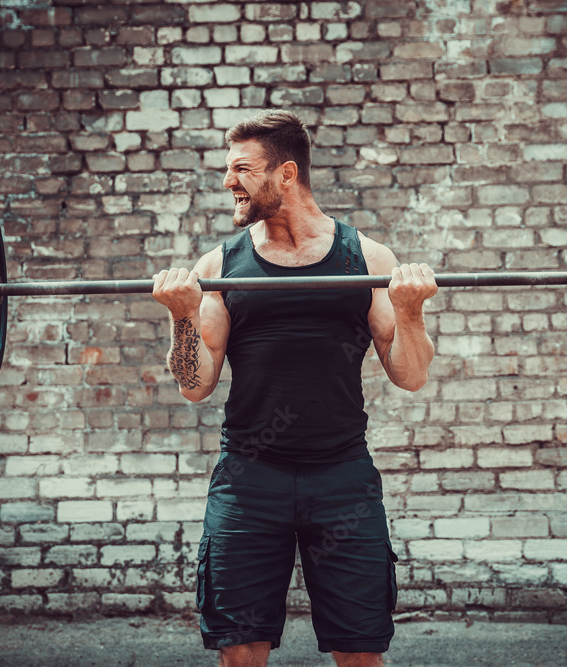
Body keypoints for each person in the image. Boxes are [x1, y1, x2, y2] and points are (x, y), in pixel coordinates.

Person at [151, 109, 437, 667]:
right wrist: (183, 317)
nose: (227, 182)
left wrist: (410, 312)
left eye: (241, 169)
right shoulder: (221, 265)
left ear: (286, 174)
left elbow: (411, 374)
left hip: (342, 476)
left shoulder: (366, 259)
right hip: (248, 479)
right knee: (240, 649)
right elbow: (195, 386)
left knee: (359, 651)